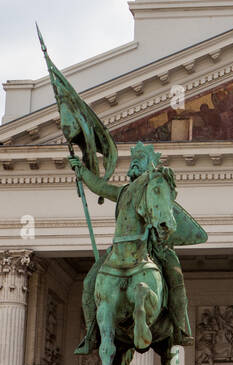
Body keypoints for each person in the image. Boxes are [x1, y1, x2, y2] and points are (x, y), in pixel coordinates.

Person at [73, 141, 203, 353]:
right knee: (89, 283)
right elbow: (101, 188)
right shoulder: (124, 192)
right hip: (120, 252)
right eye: (133, 162)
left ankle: (179, 328)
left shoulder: (157, 190)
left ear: (149, 167)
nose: (134, 166)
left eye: (139, 162)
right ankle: (90, 335)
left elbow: (169, 221)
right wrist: (82, 171)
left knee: (175, 277)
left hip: (154, 248)